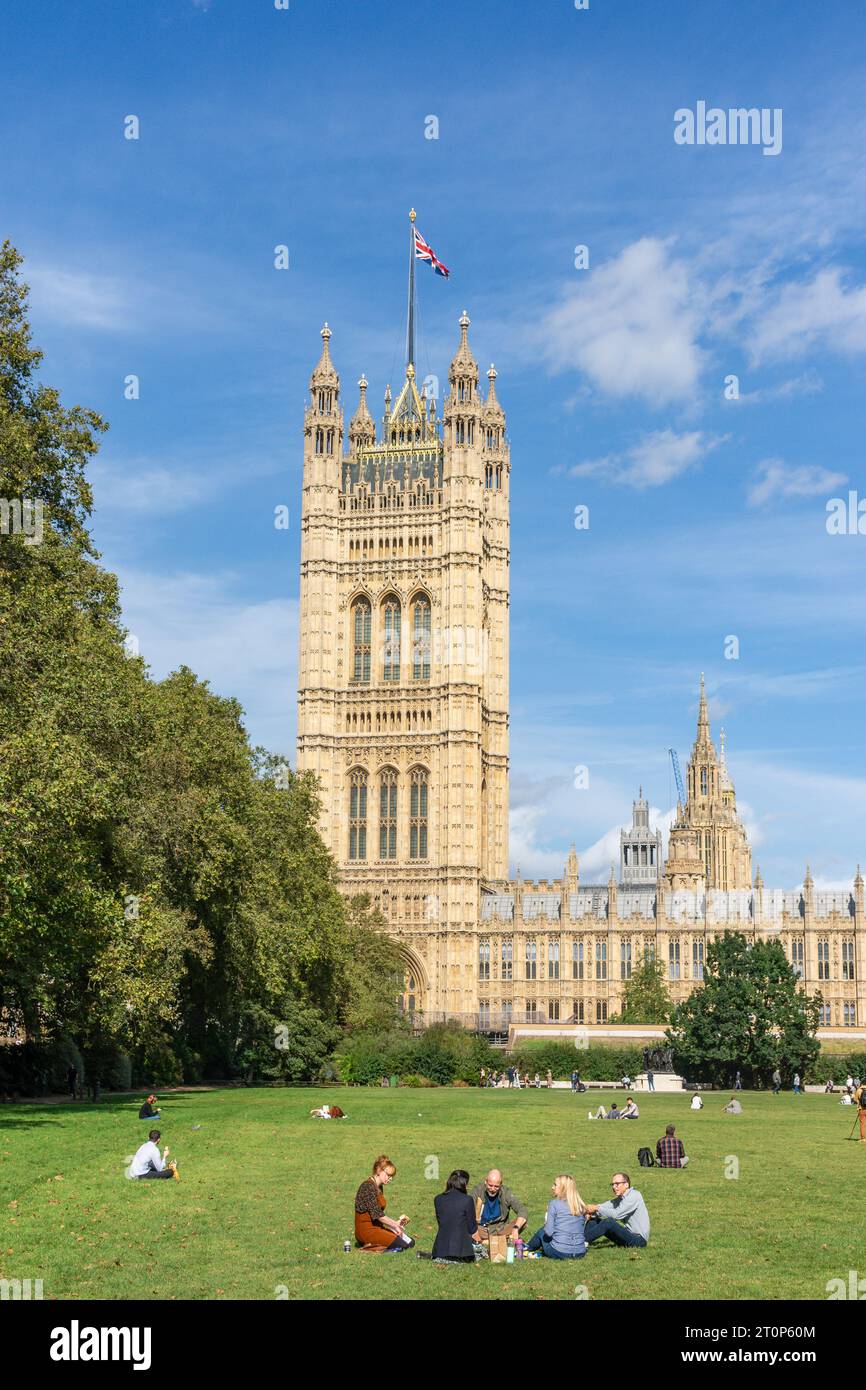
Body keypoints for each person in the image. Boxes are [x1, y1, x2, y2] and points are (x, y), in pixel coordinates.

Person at [354, 1154, 414, 1252]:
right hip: (366, 1231)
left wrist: (396, 1224)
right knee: (403, 1245)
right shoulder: (367, 1187)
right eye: (388, 1175)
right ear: (378, 1170)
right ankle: (371, 1246)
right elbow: (377, 1215)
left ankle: (381, 1245)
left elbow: (378, 1214)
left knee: (410, 1243)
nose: (390, 1178)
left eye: (392, 1176)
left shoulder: (379, 1187)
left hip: (377, 1227)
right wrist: (394, 1225)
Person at [421, 1170, 481, 1263]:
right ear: (464, 1184)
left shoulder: (438, 1199)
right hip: (462, 1253)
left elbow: (443, 1223)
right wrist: (476, 1220)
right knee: (483, 1251)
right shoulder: (467, 1200)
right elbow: (472, 1229)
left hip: (440, 1251)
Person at [525, 1175, 586, 1260]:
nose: (552, 1187)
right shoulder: (581, 1206)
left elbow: (548, 1232)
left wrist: (547, 1218)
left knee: (542, 1231)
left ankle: (526, 1248)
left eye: (555, 1185)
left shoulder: (554, 1203)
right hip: (580, 1252)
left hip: (560, 1252)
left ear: (563, 1188)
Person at [584, 1172, 649, 1248]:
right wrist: (590, 1211)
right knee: (593, 1220)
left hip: (639, 1241)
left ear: (626, 1185)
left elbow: (617, 1215)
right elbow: (604, 1206)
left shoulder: (634, 1195)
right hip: (627, 1237)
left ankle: (579, 1243)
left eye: (617, 1184)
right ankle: (579, 1240)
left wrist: (596, 1208)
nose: (614, 1187)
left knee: (609, 1222)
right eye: (612, 1184)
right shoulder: (620, 1199)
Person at [470, 1169, 528, 1243]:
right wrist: (475, 1231)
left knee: (522, 1221)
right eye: (490, 1185)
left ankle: (489, 1242)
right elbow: (467, 1209)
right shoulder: (477, 1190)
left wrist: (516, 1228)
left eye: (496, 1186)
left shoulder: (506, 1192)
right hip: (481, 1229)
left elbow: (522, 1209)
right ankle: (501, 1242)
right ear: (486, 1181)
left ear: (501, 1184)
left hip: (500, 1230)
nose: (493, 1189)